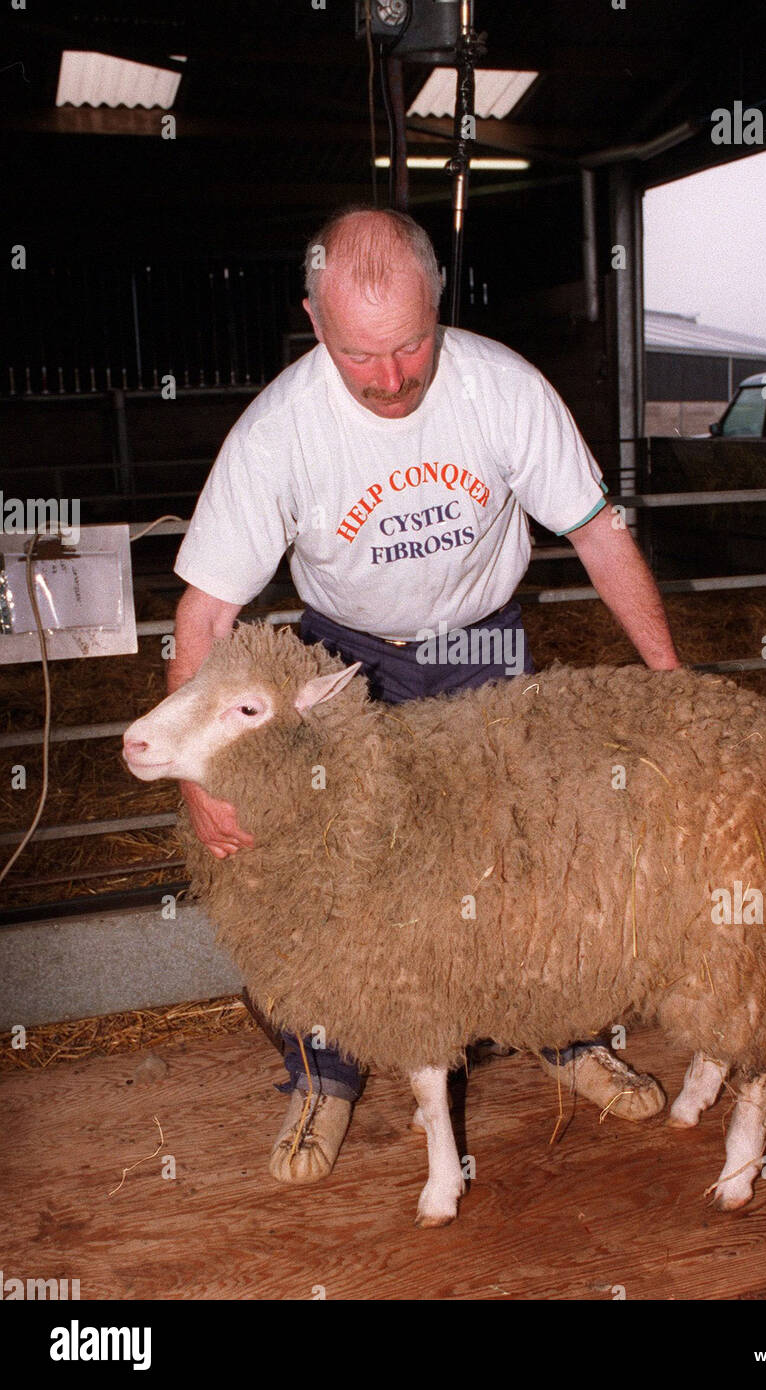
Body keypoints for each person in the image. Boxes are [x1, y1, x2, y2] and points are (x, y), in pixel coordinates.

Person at [170, 207, 680, 1183]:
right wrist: (202, 774)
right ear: (315, 323)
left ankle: (569, 1038)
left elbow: (600, 533)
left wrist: (670, 685)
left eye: (412, 344)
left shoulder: (502, 389)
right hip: (345, 656)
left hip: (484, 641)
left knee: (540, 850)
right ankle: (324, 1073)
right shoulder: (279, 432)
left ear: (438, 307)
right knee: (320, 869)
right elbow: (201, 618)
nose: (395, 377)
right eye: (364, 355)